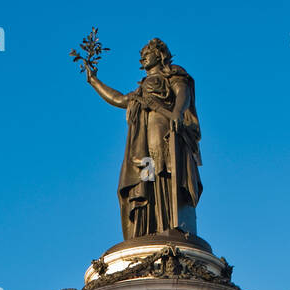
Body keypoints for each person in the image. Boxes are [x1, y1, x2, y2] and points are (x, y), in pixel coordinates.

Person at [84, 38, 202, 238]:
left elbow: (183, 93)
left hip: (163, 130)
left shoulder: (173, 74)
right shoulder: (141, 89)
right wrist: (94, 81)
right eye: (142, 55)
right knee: (147, 176)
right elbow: (120, 99)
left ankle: (170, 222)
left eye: (148, 53)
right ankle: (150, 225)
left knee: (164, 171)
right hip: (142, 144)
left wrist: (178, 112)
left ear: (160, 54)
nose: (143, 57)